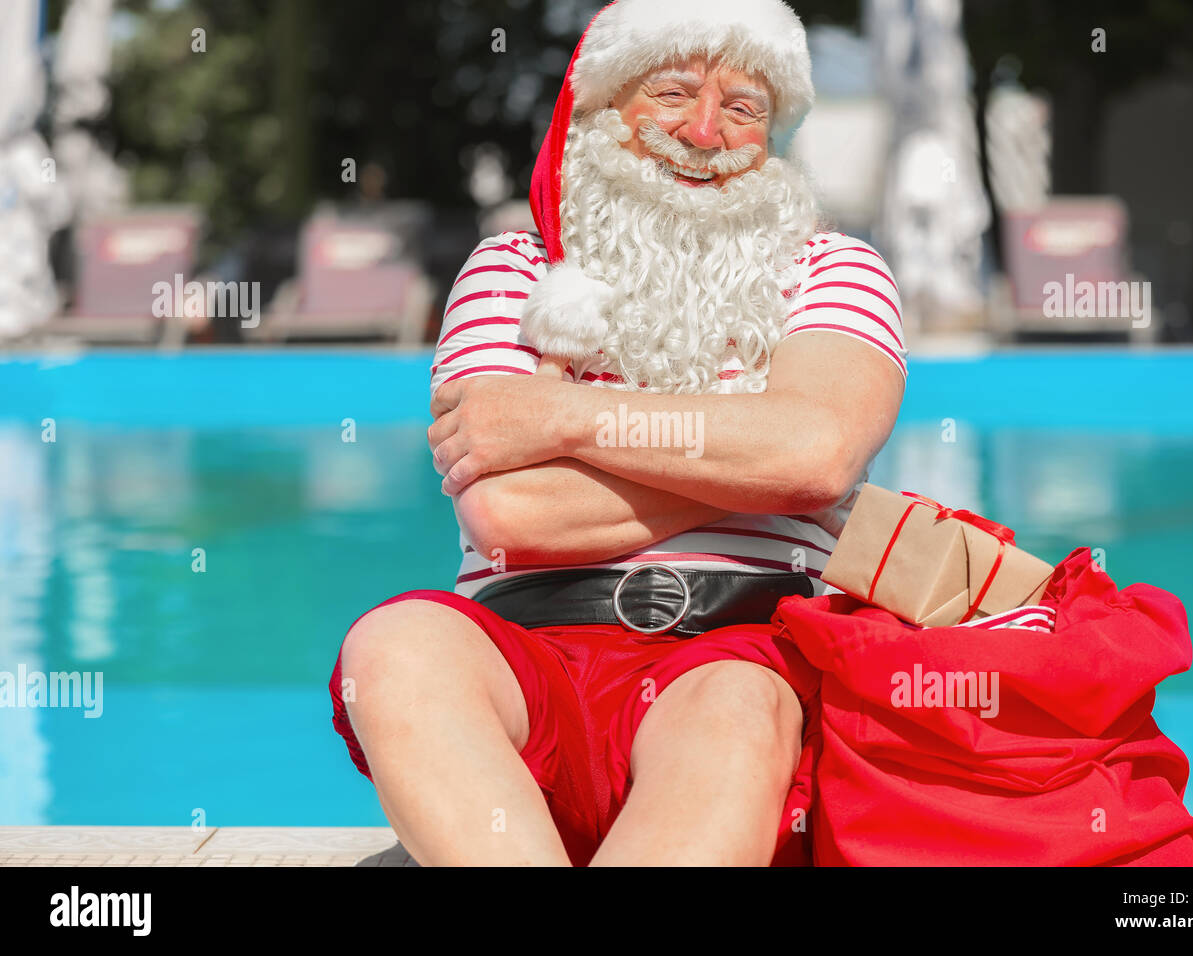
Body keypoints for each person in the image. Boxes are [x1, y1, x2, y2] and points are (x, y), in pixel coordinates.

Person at [329, 0, 907, 866]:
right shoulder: (512, 268)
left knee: (735, 712)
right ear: (604, 106)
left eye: (744, 107)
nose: (706, 133)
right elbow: (513, 514)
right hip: (526, 656)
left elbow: (815, 455)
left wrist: (565, 417)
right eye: (673, 92)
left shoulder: (835, 269)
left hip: (733, 654)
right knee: (394, 646)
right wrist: (748, 456)